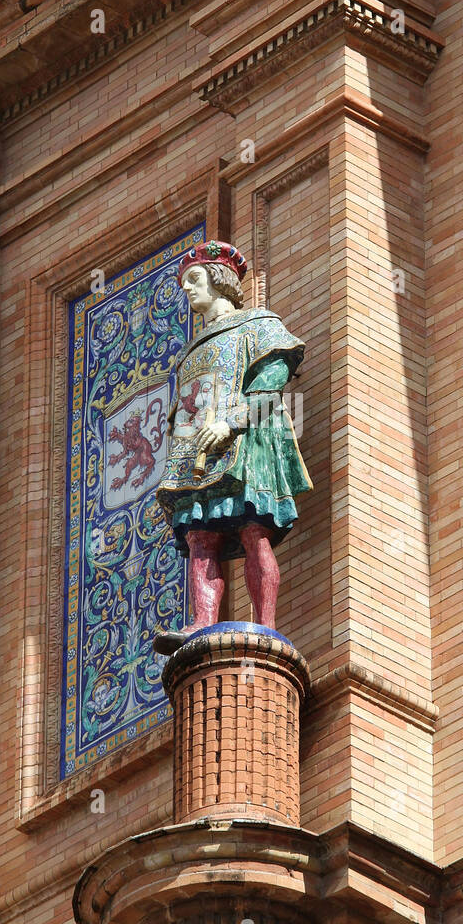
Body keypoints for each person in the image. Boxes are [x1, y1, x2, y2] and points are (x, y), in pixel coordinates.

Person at [155, 240, 312, 648]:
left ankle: (265, 626)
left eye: (195, 279)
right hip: (196, 453)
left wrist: (230, 422)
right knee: (199, 536)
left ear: (219, 279)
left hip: (245, 443)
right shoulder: (189, 351)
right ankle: (201, 622)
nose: (188, 289)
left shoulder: (258, 325)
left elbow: (272, 382)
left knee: (252, 529)